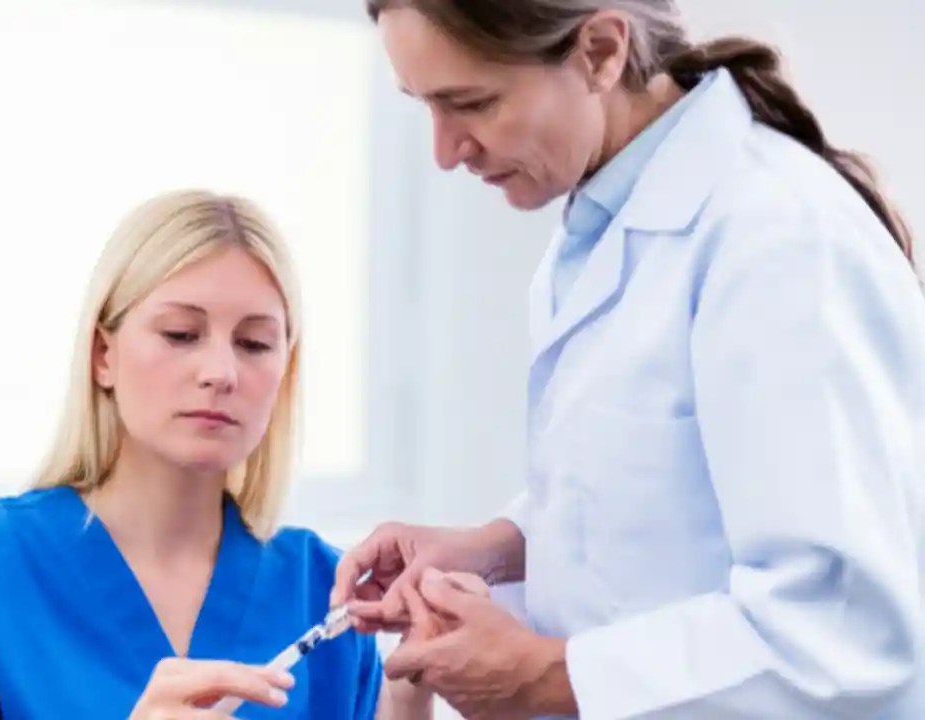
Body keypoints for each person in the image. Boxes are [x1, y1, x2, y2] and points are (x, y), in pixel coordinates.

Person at [333, 1, 925, 718]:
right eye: (424, 105)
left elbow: (843, 632)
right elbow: (660, 490)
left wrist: (545, 676)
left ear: (601, 51)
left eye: (472, 103)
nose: (445, 150)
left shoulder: (781, 239)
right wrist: (495, 548)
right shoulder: (596, 233)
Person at [0, 189, 433, 719]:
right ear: (102, 355)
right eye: (181, 335)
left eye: (253, 343)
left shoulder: (323, 595)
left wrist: (409, 695)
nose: (220, 371)